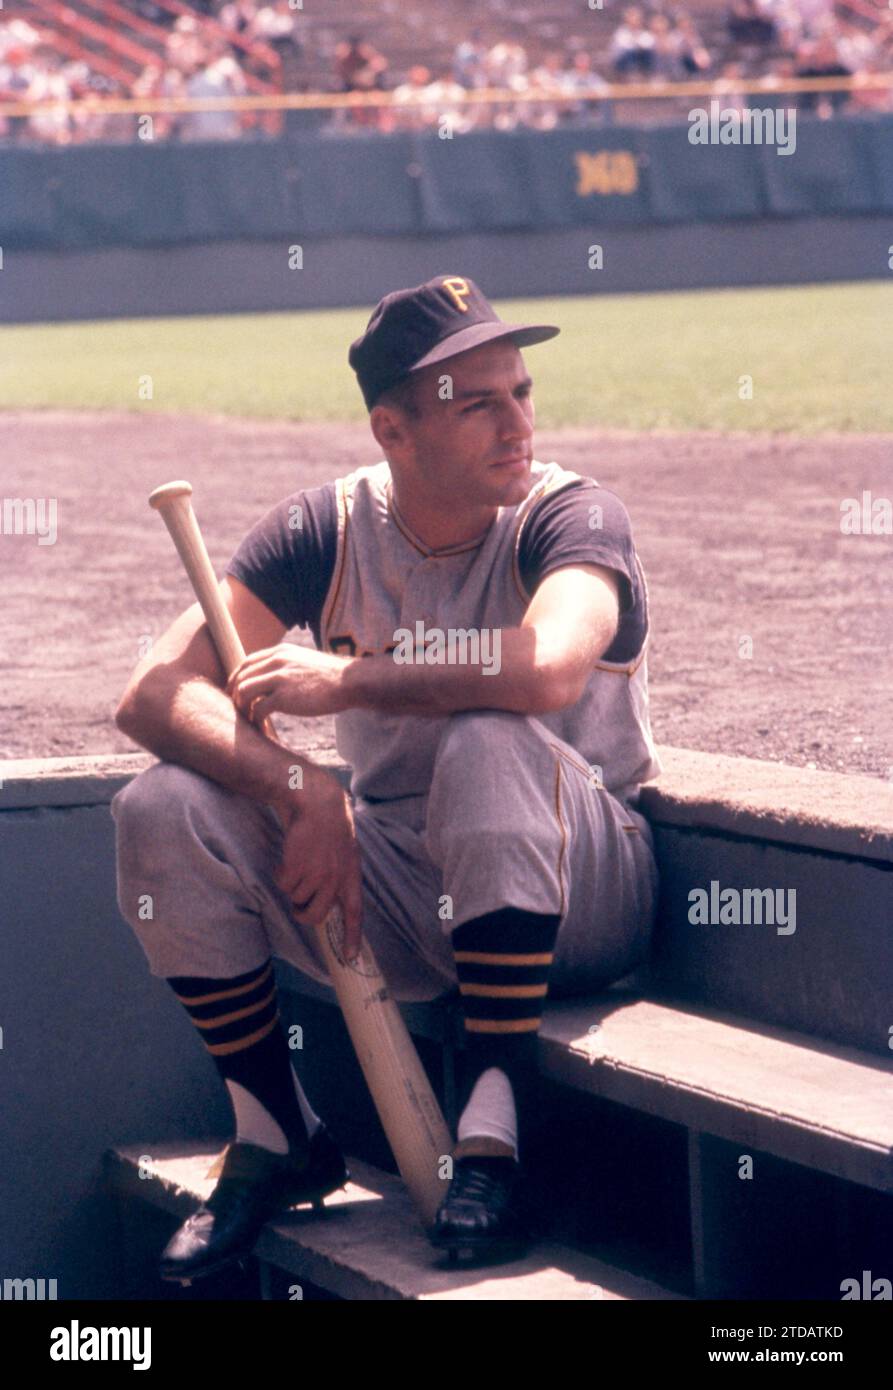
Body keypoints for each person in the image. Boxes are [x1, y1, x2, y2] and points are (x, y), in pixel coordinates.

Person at [111, 274, 662, 1280]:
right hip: (404, 883)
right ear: (392, 432)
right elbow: (153, 693)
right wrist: (296, 785)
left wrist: (348, 679)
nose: (515, 422)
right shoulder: (323, 529)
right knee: (159, 806)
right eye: (476, 401)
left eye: (521, 392)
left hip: (584, 884)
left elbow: (543, 669)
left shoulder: (569, 513)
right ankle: (275, 1133)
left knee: (484, 738)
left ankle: (498, 1134)